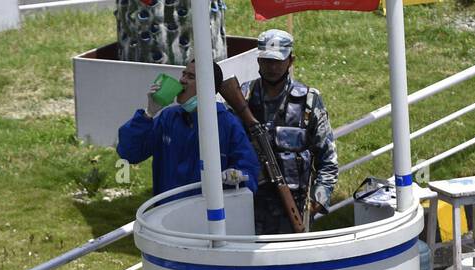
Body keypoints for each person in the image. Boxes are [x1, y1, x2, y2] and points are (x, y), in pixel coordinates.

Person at [240, 28, 339, 234]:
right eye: (267, 61)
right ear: (258, 62)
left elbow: (327, 158)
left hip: (294, 204)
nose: (272, 67)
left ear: (290, 61)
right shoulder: (243, 97)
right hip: (248, 204)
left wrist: (319, 199)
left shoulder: (309, 100)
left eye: (278, 61)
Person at [117, 58, 259, 198]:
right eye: (183, 74)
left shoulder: (227, 123)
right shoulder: (168, 117)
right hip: (167, 213)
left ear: (207, 86)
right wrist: (148, 114)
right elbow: (128, 152)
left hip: (207, 216)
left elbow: (249, 173)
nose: (182, 80)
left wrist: (237, 175)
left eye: (191, 77)